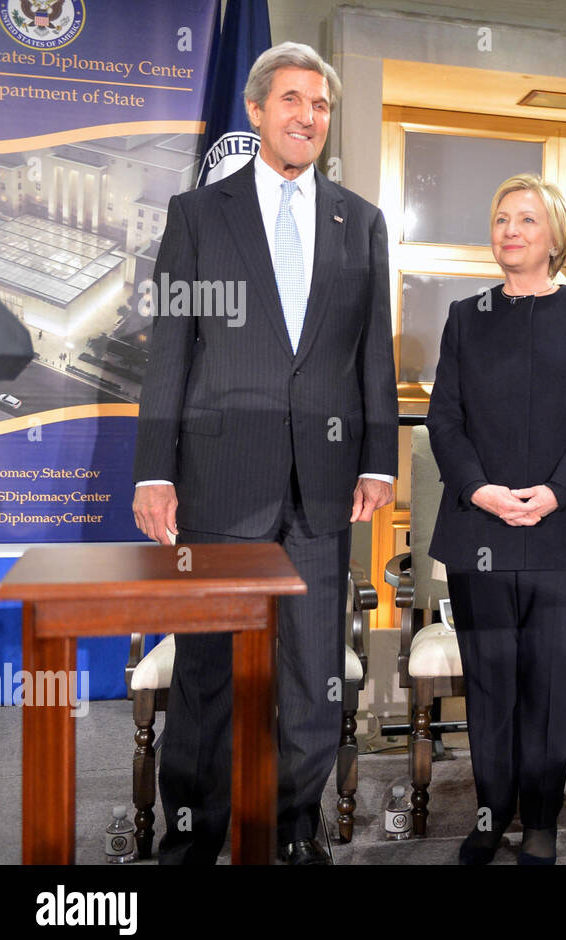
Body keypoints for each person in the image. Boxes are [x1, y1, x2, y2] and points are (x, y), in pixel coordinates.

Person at [132, 42, 397, 865]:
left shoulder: (362, 220)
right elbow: (171, 347)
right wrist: (154, 467)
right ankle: (194, 836)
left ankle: (290, 828)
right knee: (209, 677)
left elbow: (372, 356)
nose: (307, 117)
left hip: (322, 491)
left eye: (319, 105)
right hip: (218, 485)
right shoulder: (198, 215)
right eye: (291, 101)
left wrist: (378, 456)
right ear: (256, 112)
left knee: (313, 674)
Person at [426, 174, 566, 865]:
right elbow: (443, 418)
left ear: (554, 237)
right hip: (479, 529)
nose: (511, 230)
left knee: (548, 682)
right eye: (502, 218)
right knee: (489, 681)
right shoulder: (465, 314)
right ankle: (490, 813)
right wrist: (481, 490)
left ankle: (540, 817)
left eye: (527, 220)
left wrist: (557, 491)